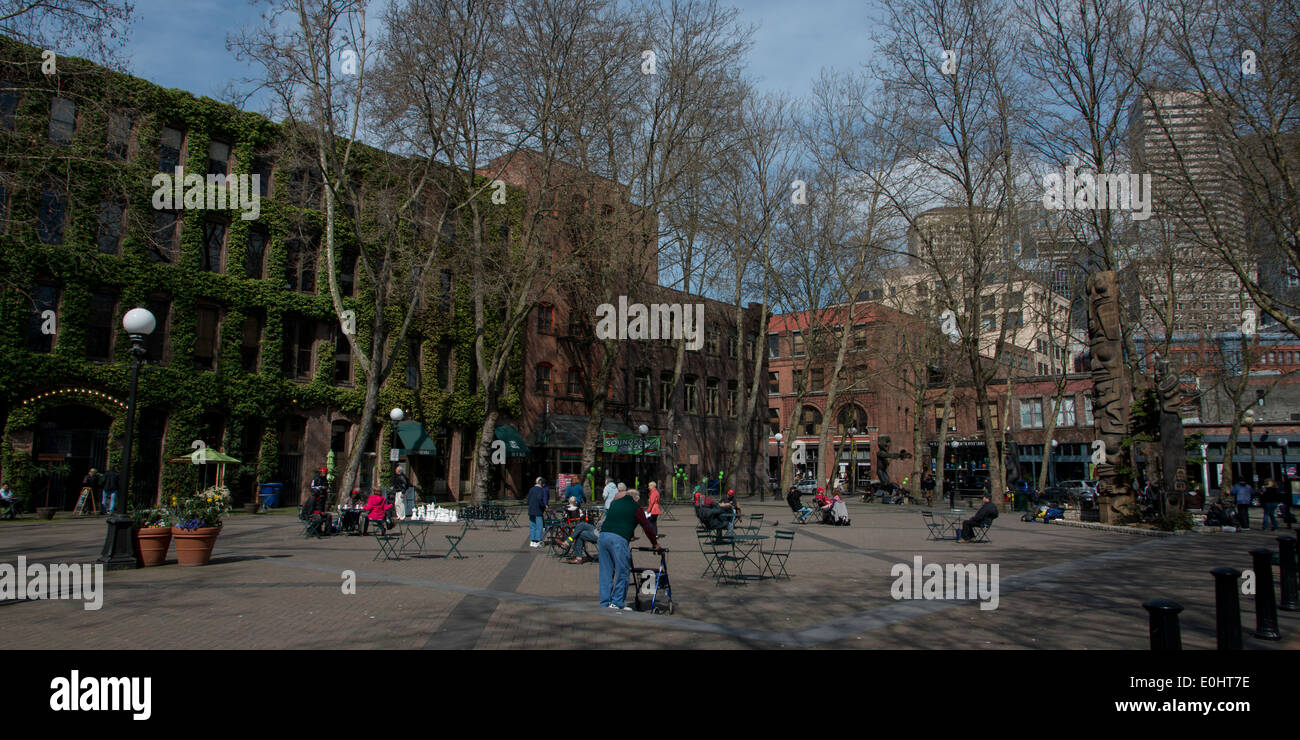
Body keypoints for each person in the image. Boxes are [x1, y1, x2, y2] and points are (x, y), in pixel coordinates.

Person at [596, 488, 662, 610]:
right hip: (618, 539)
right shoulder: (636, 507)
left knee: (606, 572)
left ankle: (605, 602)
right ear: (636, 498)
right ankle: (617, 602)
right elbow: (647, 527)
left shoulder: (615, 503)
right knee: (623, 571)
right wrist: (655, 543)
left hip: (603, 537)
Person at [526, 477, 549, 548]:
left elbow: (528, 500)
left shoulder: (531, 489)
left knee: (532, 526)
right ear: (542, 484)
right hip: (538, 510)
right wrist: (543, 506)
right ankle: (538, 541)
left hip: (531, 510)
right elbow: (539, 499)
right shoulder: (541, 490)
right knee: (539, 526)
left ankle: (532, 541)